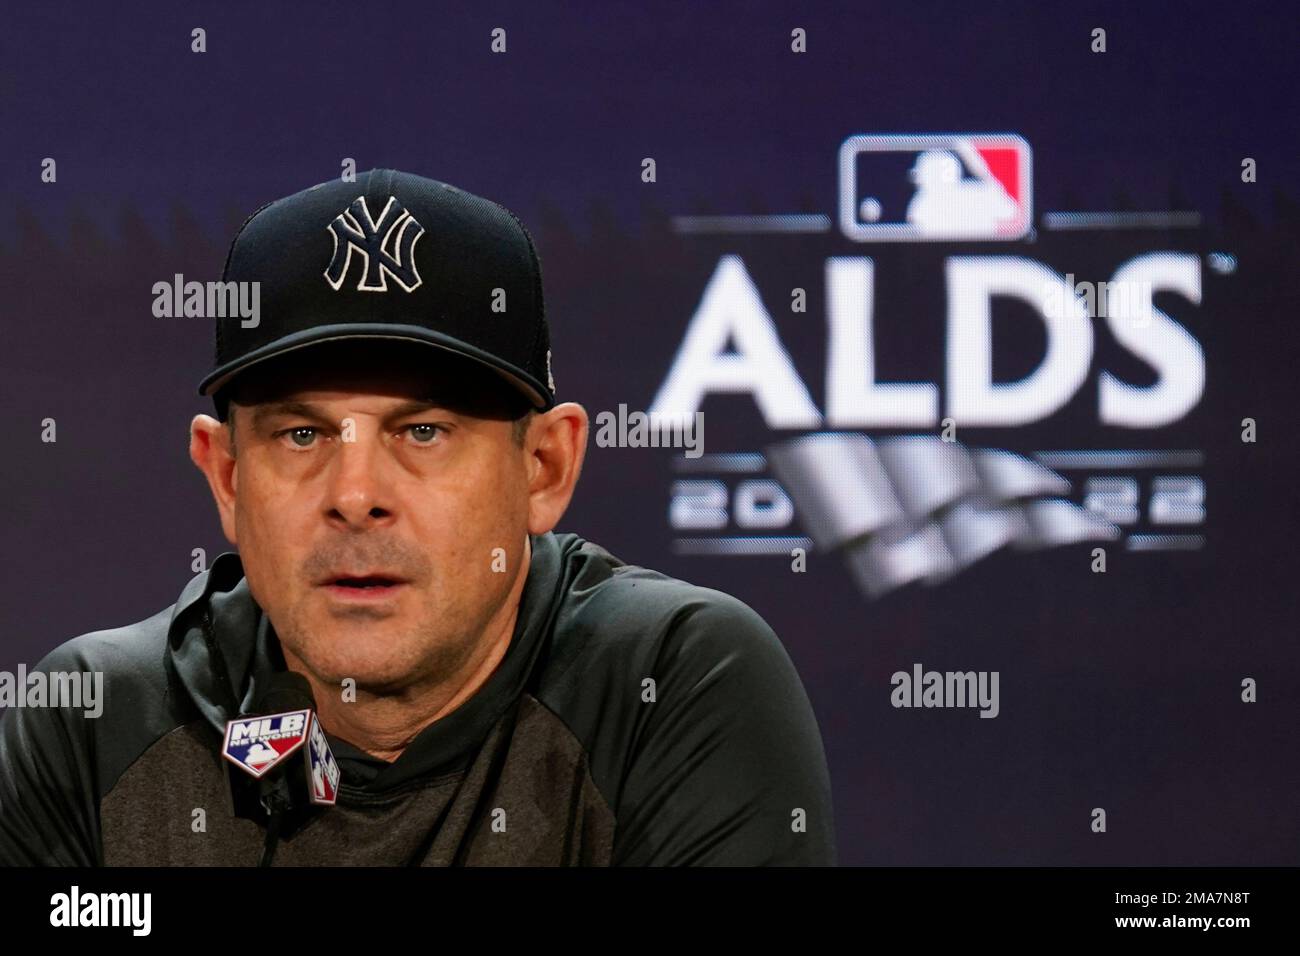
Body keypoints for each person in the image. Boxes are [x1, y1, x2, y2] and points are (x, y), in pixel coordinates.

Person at [0, 169, 835, 866]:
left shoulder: (669, 685)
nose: (356, 493)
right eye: (301, 434)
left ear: (544, 468)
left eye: (424, 431)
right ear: (226, 477)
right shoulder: (92, 724)